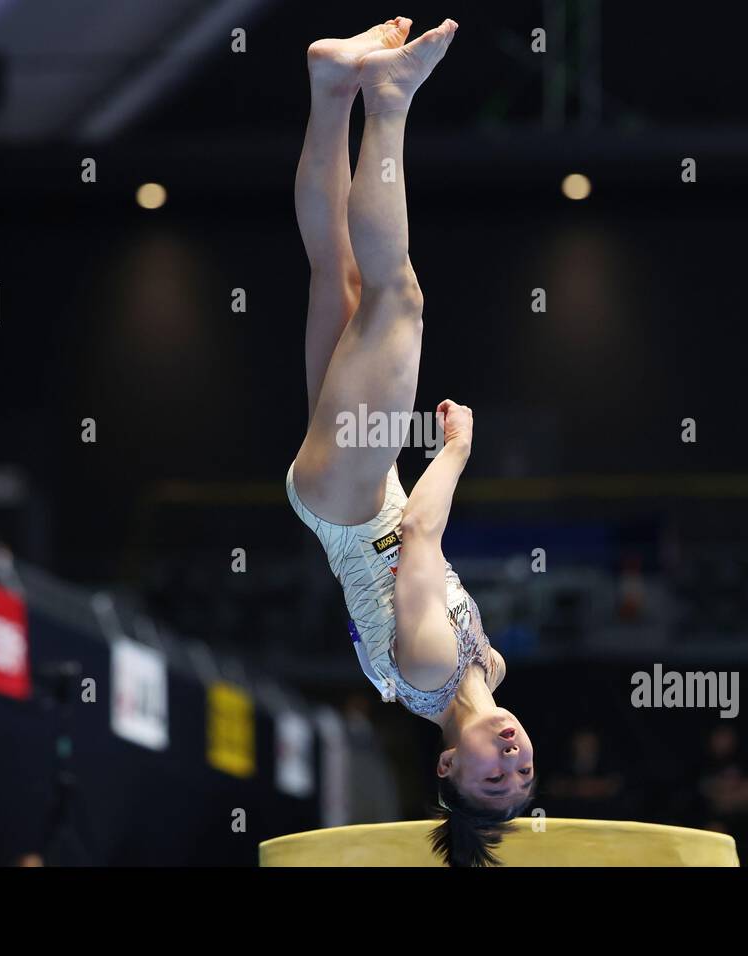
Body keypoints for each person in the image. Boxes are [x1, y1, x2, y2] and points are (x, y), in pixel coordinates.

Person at [285, 16, 535, 866]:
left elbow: (423, 536)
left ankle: (386, 102)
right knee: (343, 275)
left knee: (400, 297)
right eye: (523, 774)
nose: (512, 762)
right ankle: (333, 88)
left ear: (445, 765)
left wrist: (457, 450)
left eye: (491, 780)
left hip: (359, 498)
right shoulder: (479, 674)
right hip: (351, 489)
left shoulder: (432, 674)